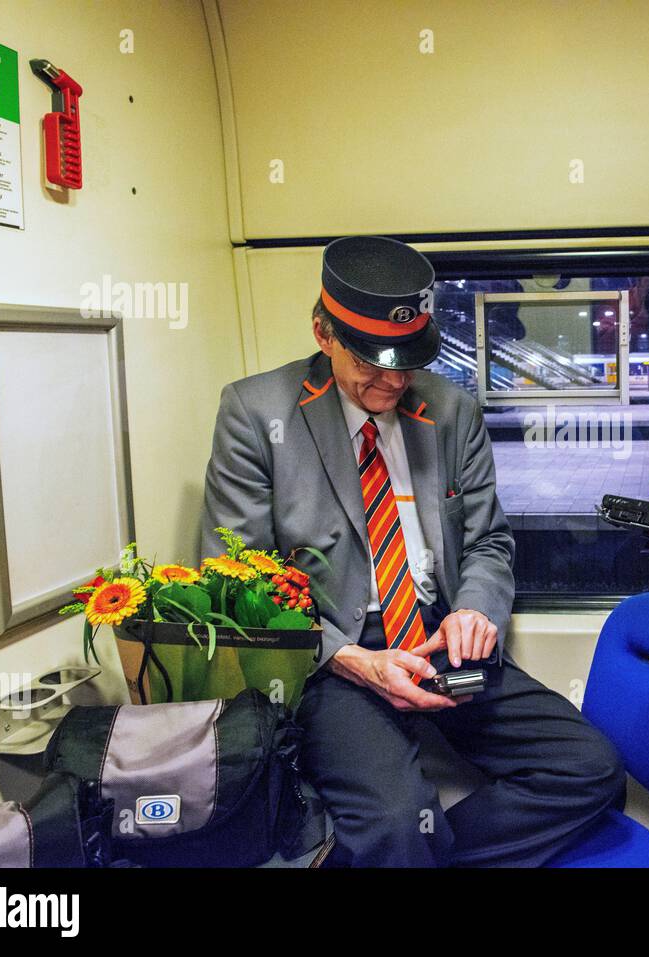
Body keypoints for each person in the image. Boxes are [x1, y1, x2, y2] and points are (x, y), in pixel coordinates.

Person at [201, 235, 622, 866]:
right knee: (398, 822)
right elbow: (236, 584)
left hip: (438, 638)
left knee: (591, 769)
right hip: (334, 655)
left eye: (408, 360)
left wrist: (475, 610)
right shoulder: (256, 412)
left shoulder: (450, 410)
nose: (395, 380)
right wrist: (353, 660)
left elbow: (486, 540)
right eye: (373, 362)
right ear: (324, 333)